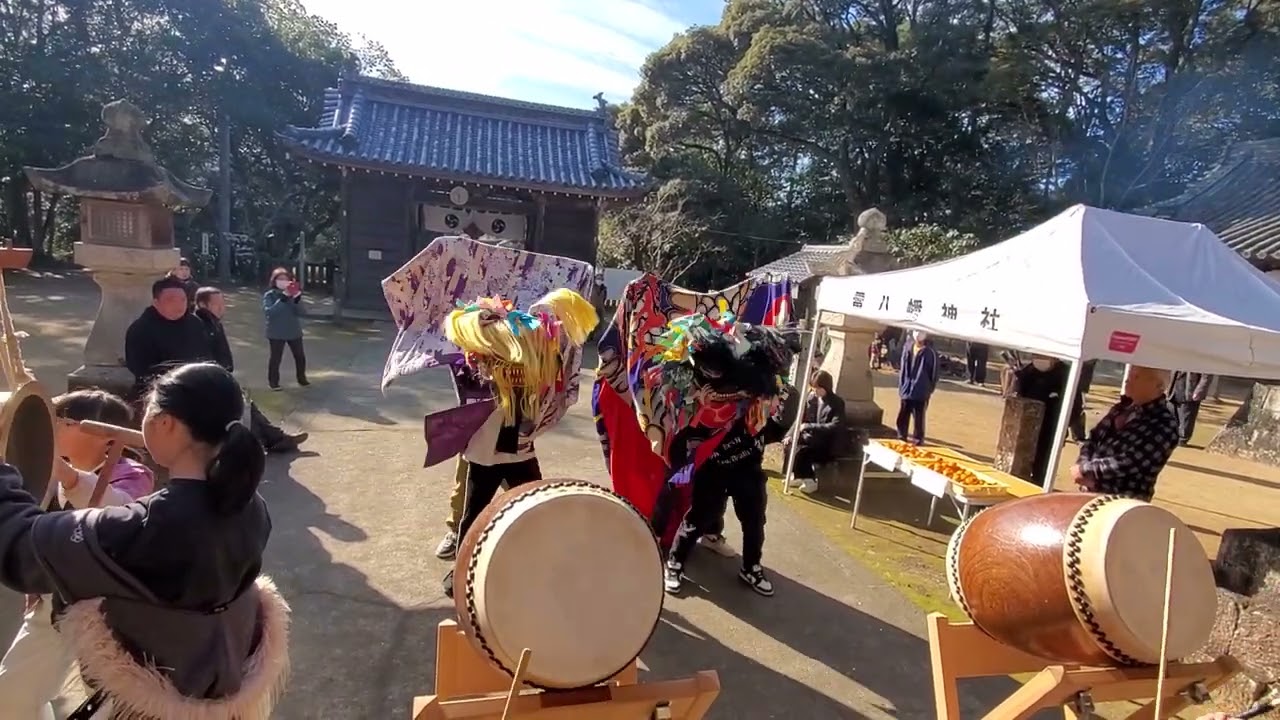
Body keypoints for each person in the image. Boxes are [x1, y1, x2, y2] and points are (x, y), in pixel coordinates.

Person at [0, 363, 288, 718]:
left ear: (165, 423)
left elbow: (17, 544)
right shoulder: (251, 510)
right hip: (206, 683)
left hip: (144, 699)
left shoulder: (143, 529)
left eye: (148, 410)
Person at [0, 391, 155, 720]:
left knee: (106, 701)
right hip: (54, 608)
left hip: (111, 617)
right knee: (10, 695)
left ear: (103, 435)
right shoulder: (48, 472)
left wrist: (70, 479)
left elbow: (122, 517)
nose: (53, 428)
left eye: (64, 422)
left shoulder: (134, 476)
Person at [665, 388, 796, 597]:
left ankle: (751, 567)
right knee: (699, 517)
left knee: (754, 520)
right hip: (713, 466)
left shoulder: (764, 388)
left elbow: (775, 429)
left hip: (748, 467)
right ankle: (675, 562)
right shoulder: (713, 384)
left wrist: (785, 402)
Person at [195, 286, 308, 453]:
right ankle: (268, 440)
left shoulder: (213, 322)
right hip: (210, 380)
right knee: (242, 406)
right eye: (215, 304)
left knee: (248, 405)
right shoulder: (199, 325)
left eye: (222, 303)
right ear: (202, 305)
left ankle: (274, 438)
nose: (221, 307)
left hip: (221, 375)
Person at [1071, 366, 1179, 501]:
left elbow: (1131, 461)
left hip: (1123, 503)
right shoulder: (1120, 408)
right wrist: (1082, 465)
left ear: (1158, 385)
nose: (1128, 379)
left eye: (1137, 376)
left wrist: (1086, 471)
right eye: (1129, 374)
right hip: (1088, 496)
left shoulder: (1164, 424)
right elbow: (1093, 439)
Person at [124, 276, 212, 402]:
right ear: (155, 302)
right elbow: (140, 369)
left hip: (195, 388)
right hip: (156, 393)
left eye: (183, 300)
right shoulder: (141, 329)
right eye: (171, 300)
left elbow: (206, 356)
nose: (179, 305)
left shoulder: (195, 323)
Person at [1013, 356, 1084, 483]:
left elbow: (1075, 406)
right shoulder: (1028, 372)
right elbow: (1018, 397)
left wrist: (1062, 423)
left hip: (1052, 431)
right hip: (1026, 430)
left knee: (1043, 468)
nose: (1040, 358)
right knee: (1020, 466)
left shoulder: (1067, 375)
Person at [785, 371, 846, 494]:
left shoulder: (837, 403)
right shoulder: (811, 398)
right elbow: (801, 417)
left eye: (818, 388)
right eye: (813, 388)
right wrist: (790, 435)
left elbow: (836, 425)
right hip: (810, 438)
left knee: (802, 452)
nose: (815, 391)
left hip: (826, 442)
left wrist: (810, 426)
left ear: (826, 387)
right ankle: (797, 475)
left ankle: (810, 480)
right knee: (790, 445)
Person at [263, 267, 309, 391]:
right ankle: (273, 382)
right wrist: (282, 298)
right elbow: (270, 312)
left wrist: (297, 299)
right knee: (276, 358)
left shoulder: (293, 295)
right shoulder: (270, 295)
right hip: (276, 332)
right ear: (274, 281)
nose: (283, 281)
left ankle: (301, 378)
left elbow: (303, 312)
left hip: (293, 330)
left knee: (300, 356)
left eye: (285, 279)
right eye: (280, 279)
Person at [896, 330, 938, 444]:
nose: (918, 334)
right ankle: (901, 436)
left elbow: (934, 373)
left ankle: (918, 440)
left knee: (918, 417)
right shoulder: (908, 347)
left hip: (921, 390)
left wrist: (929, 389)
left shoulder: (930, 352)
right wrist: (902, 385)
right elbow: (903, 368)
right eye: (916, 331)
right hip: (906, 388)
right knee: (903, 414)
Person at [1169, 370, 1213, 446]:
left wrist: (1200, 390)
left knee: (1187, 417)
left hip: (1190, 390)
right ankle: (1173, 436)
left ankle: (1182, 440)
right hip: (1173, 389)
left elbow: (1207, 375)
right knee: (1172, 414)